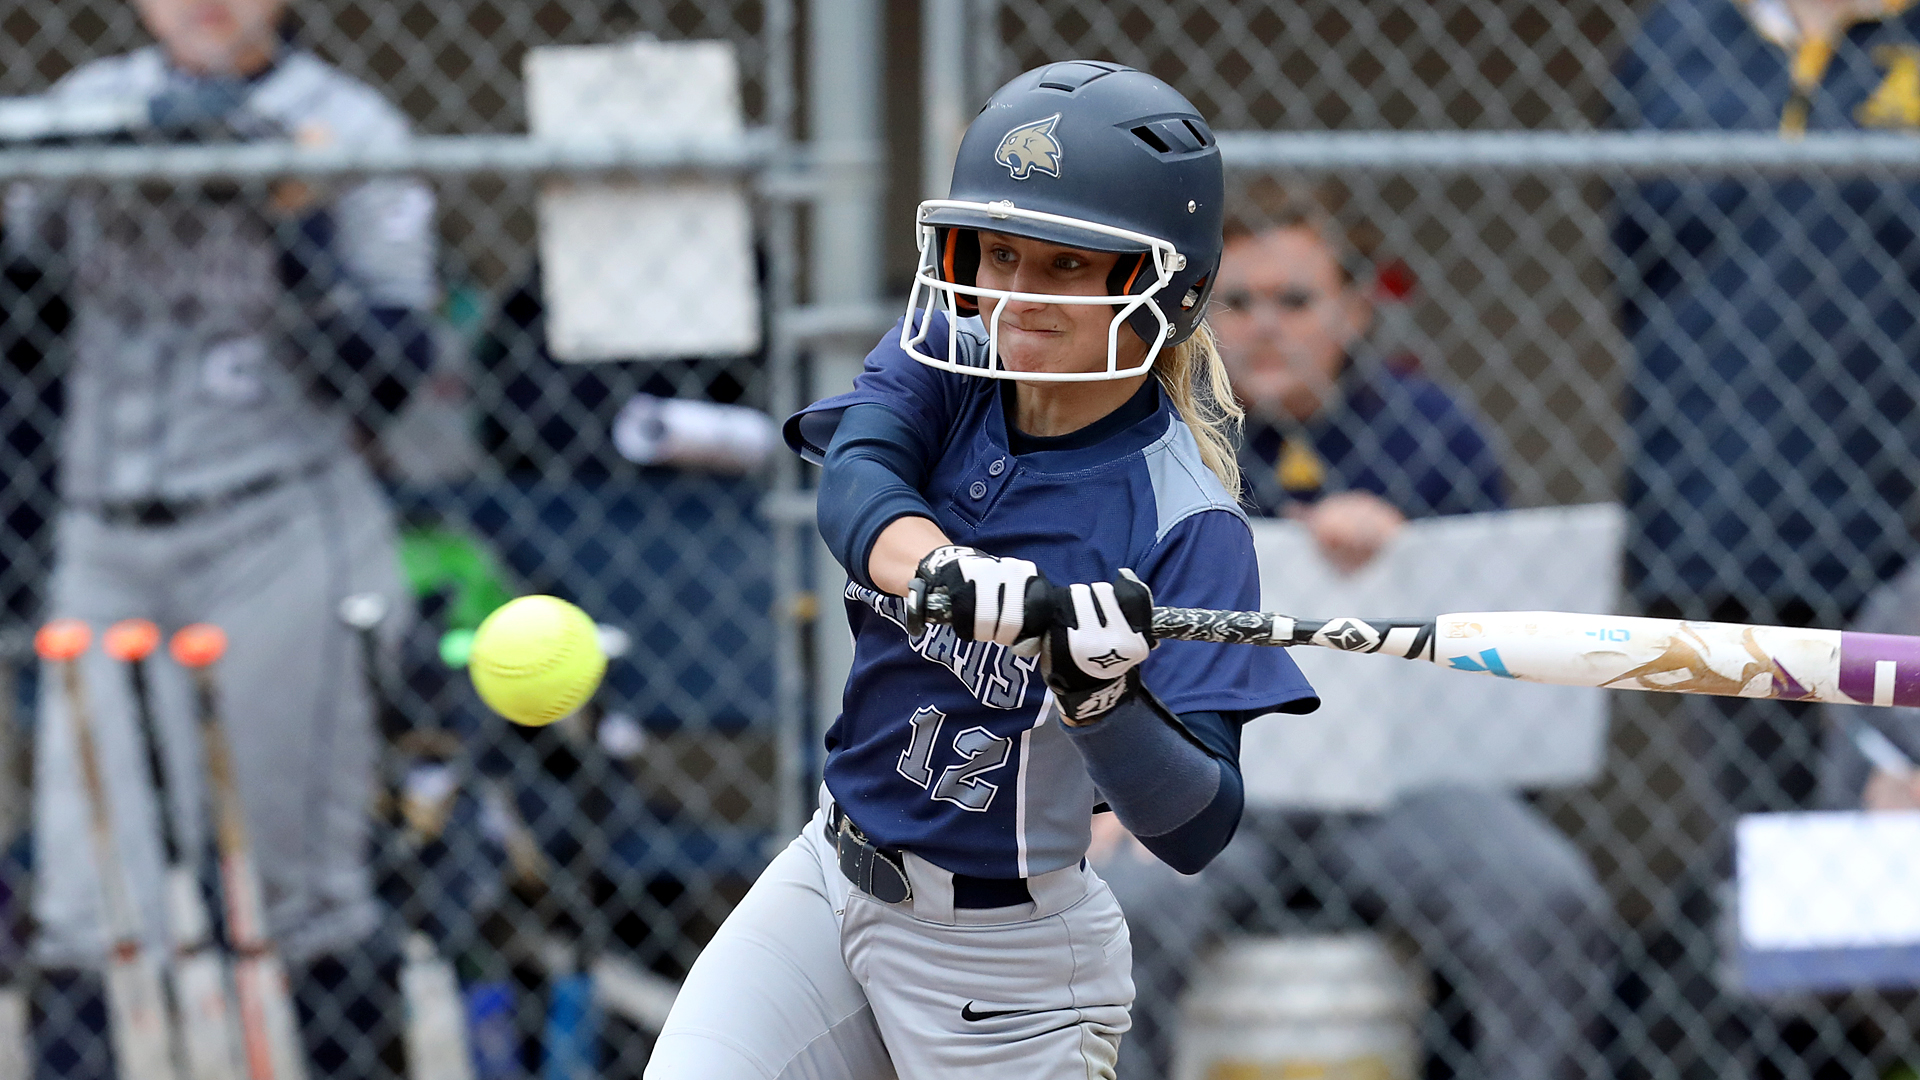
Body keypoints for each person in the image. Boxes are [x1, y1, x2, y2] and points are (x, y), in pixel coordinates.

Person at [644, 61, 1318, 1079]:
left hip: (1008, 966)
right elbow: (858, 479)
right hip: (830, 881)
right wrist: (948, 568)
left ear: (1160, 286)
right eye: (1000, 254)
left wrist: (1102, 701)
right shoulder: (945, 360)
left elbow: (1196, 826)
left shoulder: (1188, 520)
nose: (1016, 295)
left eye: (1066, 267)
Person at [1, 0, 435, 1073]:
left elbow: (388, 373)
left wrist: (298, 213)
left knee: (303, 891)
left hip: (281, 523)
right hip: (103, 537)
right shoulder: (85, 108)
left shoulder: (347, 122)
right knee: (81, 899)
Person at [1093, 204, 1613, 1080]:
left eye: (1295, 299)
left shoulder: (1431, 432)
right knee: (1115, 907)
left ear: (1354, 313)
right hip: (1211, 785)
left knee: (1544, 896)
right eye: (1237, 301)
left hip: (1405, 790)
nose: (1263, 325)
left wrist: (1401, 553)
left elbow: (1501, 633)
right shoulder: (1147, 435)